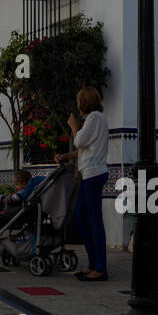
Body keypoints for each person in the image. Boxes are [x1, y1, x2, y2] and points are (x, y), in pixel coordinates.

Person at [58, 86, 109, 281]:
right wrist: (66, 156)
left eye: (79, 101)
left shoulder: (94, 117)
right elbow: (84, 149)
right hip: (90, 174)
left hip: (94, 175)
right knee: (81, 218)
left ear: (85, 102)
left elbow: (79, 141)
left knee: (93, 220)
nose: (77, 104)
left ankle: (100, 268)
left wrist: (73, 125)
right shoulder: (94, 120)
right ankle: (94, 263)